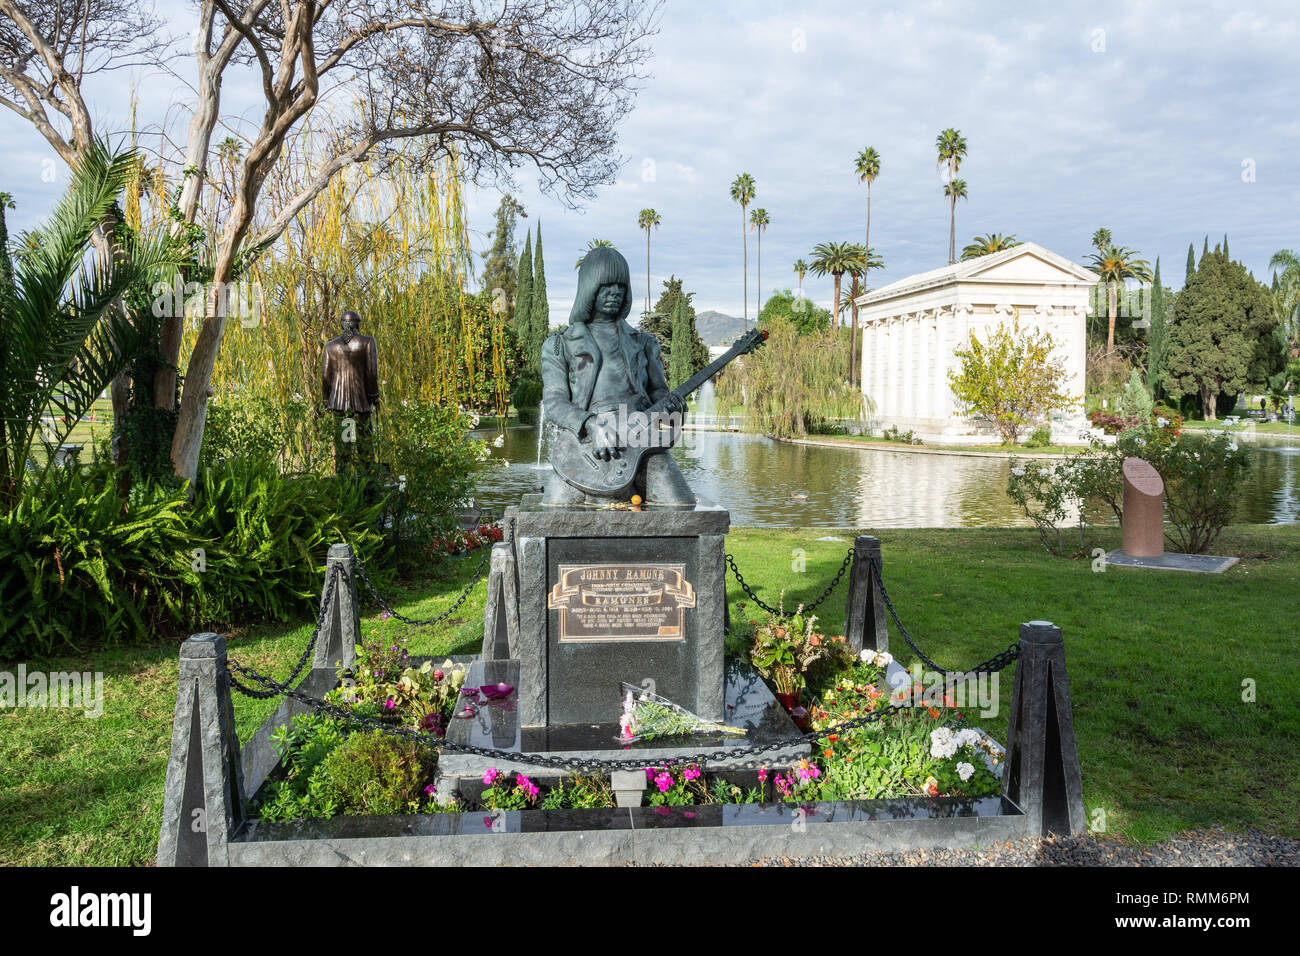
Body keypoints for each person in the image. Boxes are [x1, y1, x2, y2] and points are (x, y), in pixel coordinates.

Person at [540, 246, 693, 505]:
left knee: (680, 503)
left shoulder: (644, 342)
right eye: (606, 286)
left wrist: (675, 408)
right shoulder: (560, 343)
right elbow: (554, 403)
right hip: (585, 444)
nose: (615, 293)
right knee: (554, 510)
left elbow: (659, 393)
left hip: (641, 439)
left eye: (621, 286)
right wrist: (590, 424)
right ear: (590, 288)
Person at [322, 310, 380, 470]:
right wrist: (375, 396)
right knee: (365, 442)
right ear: (357, 325)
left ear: (342, 325)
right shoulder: (368, 342)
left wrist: (326, 400)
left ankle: (343, 480)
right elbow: (371, 373)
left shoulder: (330, 346)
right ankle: (368, 479)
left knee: (343, 444)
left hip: (339, 403)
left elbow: (325, 376)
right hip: (361, 402)